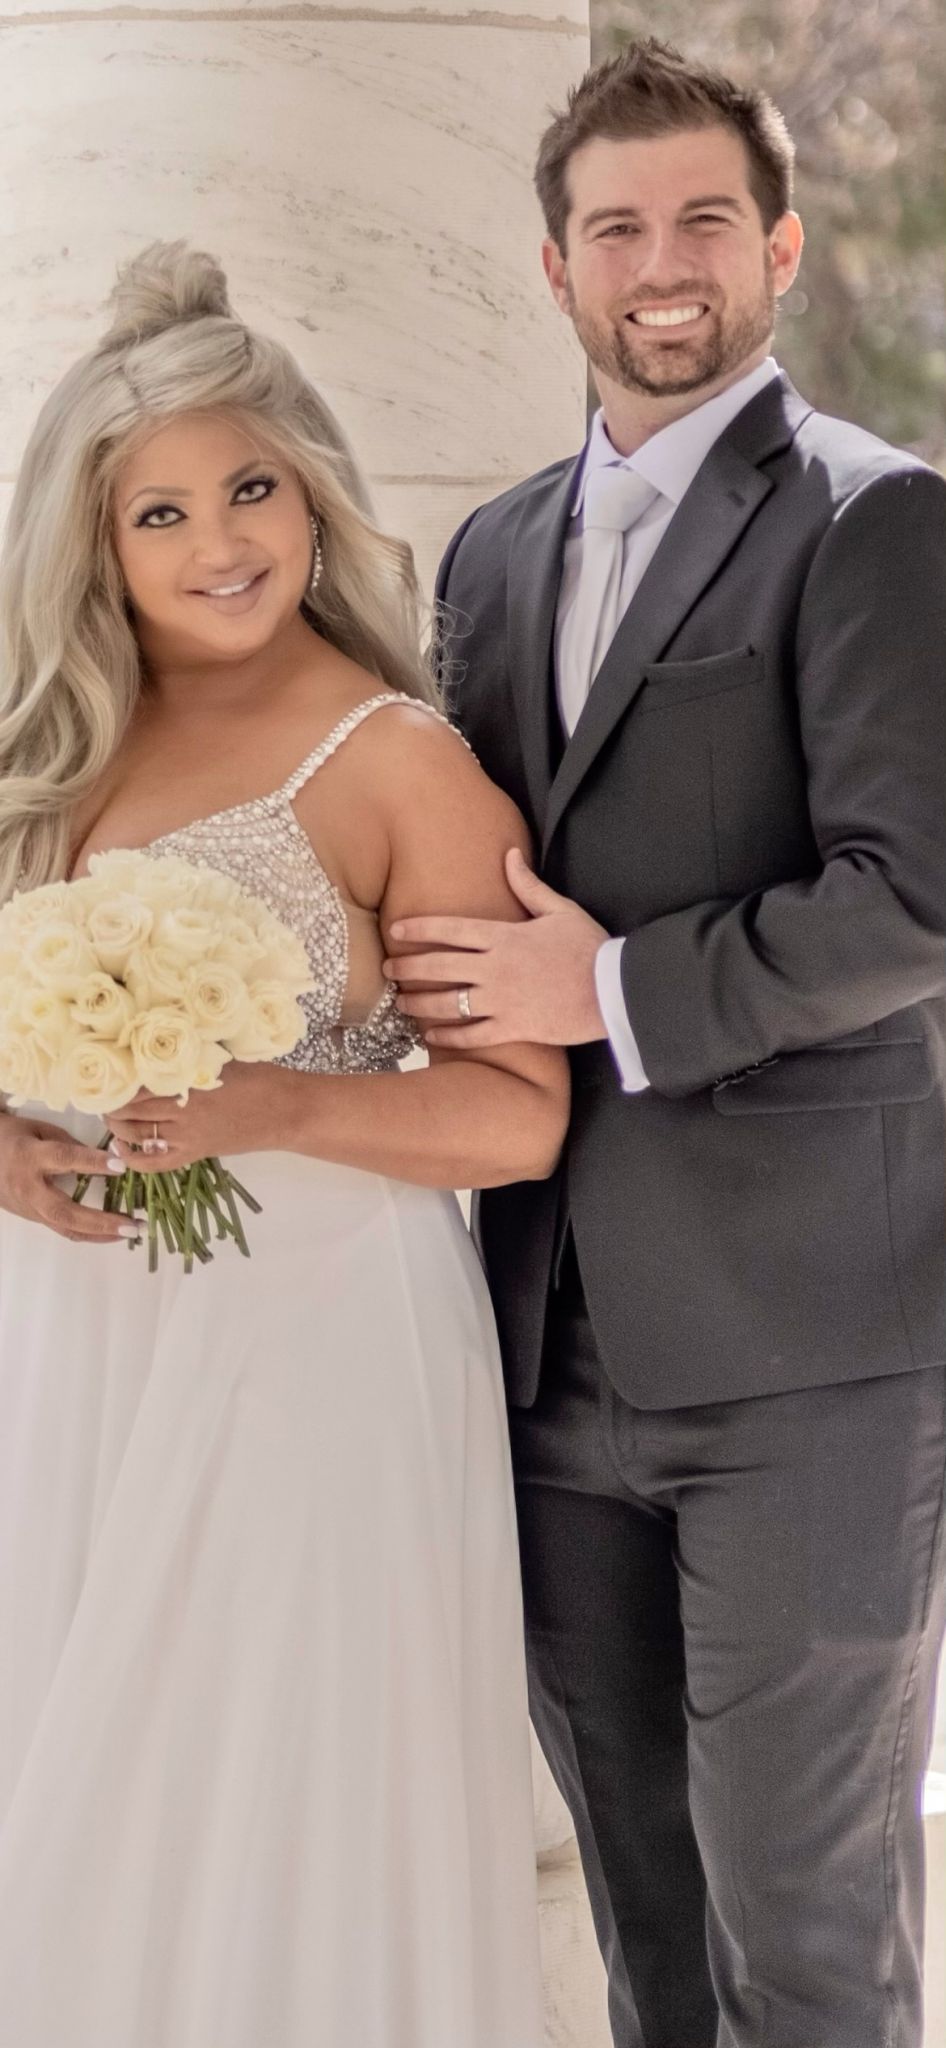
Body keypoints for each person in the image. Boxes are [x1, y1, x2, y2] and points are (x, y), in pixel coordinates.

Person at [389, 38, 946, 2048]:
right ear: (553, 267)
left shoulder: (876, 523)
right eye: (614, 225)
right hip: (546, 1358)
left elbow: (911, 898)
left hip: (805, 1363)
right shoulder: (488, 553)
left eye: (704, 216)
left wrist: (608, 990)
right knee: (645, 1934)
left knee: (803, 1941)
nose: (660, 261)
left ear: (776, 248)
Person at [0, 240, 569, 2048]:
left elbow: (518, 1113)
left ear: (312, 491)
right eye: (159, 513)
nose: (218, 543)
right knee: (78, 1786)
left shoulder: (399, 762)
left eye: (250, 489)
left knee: (267, 1783)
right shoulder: (53, 744)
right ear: (96, 542)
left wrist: (277, 1108)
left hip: (318, 1355)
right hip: (75, 1345)